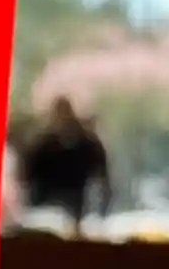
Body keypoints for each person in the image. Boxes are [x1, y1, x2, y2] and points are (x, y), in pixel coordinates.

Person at [21, 97, 112, 232]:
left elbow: (28, 176)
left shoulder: (46, 144)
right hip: (53, 207)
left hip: (64, 206)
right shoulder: (46, 144)